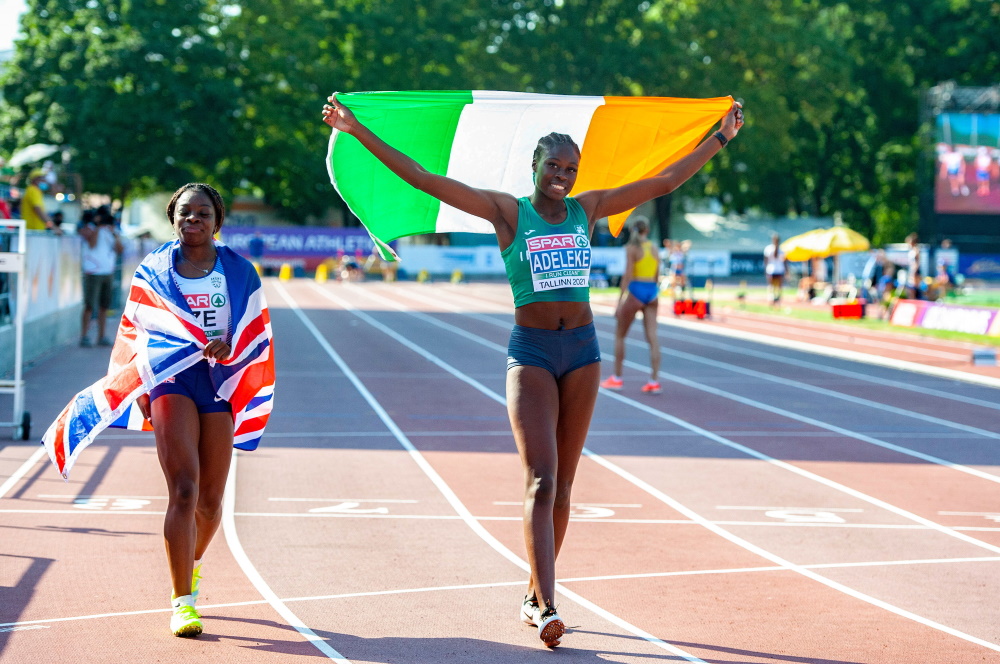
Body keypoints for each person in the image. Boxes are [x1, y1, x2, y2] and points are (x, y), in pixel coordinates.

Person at [322, 93, 744, 647]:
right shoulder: (508, 212)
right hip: (534, 354)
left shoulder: (588, 209)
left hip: (583, 353)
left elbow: (664, 182)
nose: (562, 177)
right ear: (535, 167)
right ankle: (547, 605)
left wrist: (721, 138)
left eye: (571, 169)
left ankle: (532, 593)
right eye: (553, 167)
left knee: (564, 487)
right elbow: (425, 180)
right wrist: (356, 130)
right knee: (541, 480)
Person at [131, 183, 267, 637]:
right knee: (185, 490)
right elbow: (135, 330)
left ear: (217, 220)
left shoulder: (240, 271)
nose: (193, 220)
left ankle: (189, 563)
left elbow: (254, 331)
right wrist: (139, 382)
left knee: (209, 503)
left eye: (203, 213)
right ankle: (182, 602)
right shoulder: (153, 270)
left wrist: (231, 347)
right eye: (185, 213)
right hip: (172, 378)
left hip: (220, 380)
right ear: (173, 218)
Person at [601, 217, 661, 393]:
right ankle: (654, 381)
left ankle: (617, 378)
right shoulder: (654, 248)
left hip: (636, 290)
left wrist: (619, 302)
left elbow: (627, 275)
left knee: (620, 336)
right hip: (652, 291)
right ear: (647, 230)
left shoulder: (631, 248)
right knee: (653, 338)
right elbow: (657, 275)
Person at [78, 208, 124, 346]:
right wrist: (97, 227)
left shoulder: (111, 231)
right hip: (92, 273)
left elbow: (120, 250)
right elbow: (92, 244)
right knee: (89, 306)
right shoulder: (89, 228)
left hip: (107, 272)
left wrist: (114, 234)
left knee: (104, 306)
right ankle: (84, 336)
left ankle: (101, 336)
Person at [20, 168, 60, 233]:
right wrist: (53, 226)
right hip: (33, 231)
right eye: (41, 178)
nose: (44, 180)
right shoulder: (33, 190)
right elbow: (38, 210)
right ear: (34, 179)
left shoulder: (35, 191)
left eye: (44, 178)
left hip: (34, 230)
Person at [763, 233, 787, 307]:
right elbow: (766, 260)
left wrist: (786, 270)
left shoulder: (782, 250)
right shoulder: (768, 249)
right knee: (771, 285)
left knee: (779, 286)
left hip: (779, 269)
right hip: (771, 269)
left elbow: (785, 261)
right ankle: (771, 298)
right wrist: (765, 269)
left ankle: (778, 298)